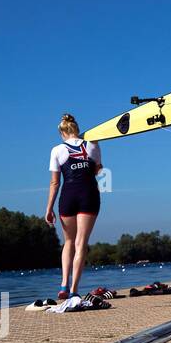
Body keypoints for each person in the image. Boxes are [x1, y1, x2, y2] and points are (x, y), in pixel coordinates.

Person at [44, 113, 102, 300]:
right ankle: (74, 290)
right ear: (77, 129)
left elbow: (55, 183)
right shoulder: (93, 144)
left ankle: (63, 285)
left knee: (68, 242)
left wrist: (49, 208)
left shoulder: (56, 150)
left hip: (68, 197)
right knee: (81, 243)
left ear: (62, 133)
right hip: (89, 196)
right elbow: (99, 170)